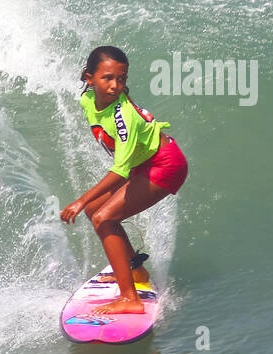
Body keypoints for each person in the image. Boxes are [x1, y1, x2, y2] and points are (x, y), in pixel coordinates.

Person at [60, 46, 188, 314]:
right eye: (107, 78)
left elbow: (120, 170)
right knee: (97, 211)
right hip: (144, 164)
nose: (115, 85)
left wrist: (80, 201)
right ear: (89, 77)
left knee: (101, 216)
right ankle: (137, 272)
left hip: (165, 164)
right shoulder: (88, 101)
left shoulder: (123, 117)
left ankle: (131, 299)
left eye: (122, 78)